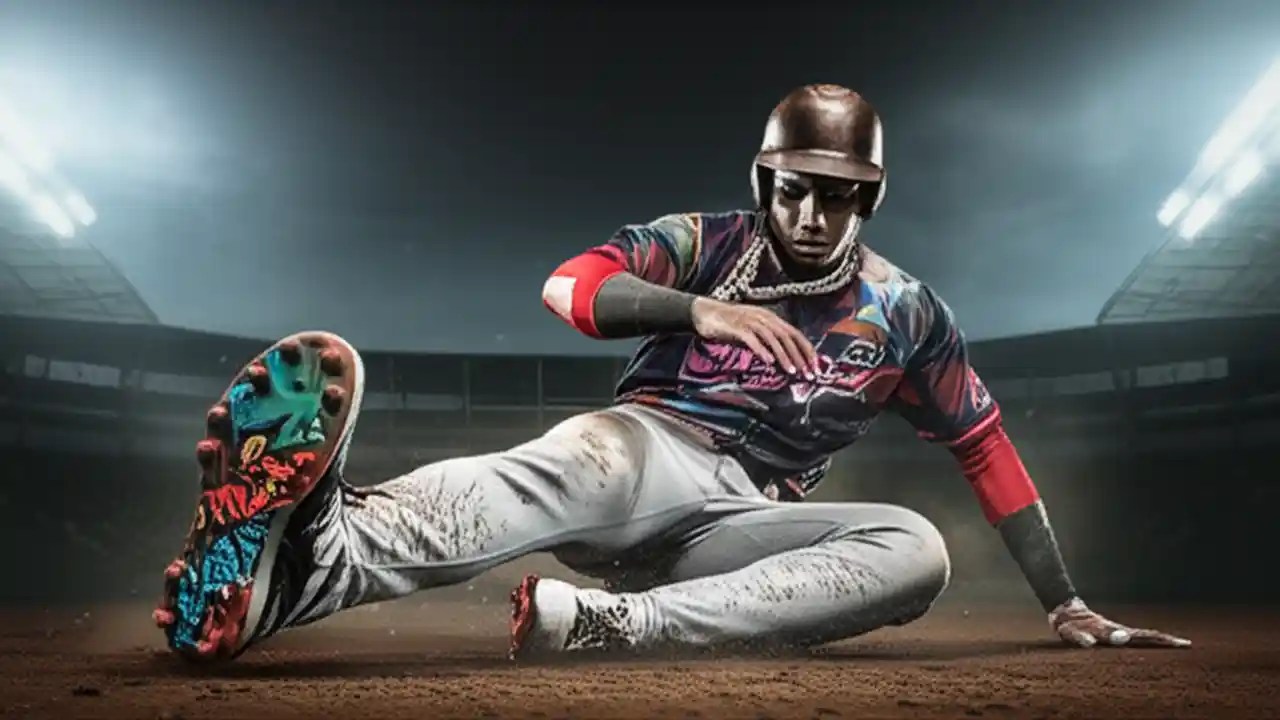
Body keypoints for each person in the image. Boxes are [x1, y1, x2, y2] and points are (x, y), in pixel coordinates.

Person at [154, 83, 1190, 662]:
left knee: (916, 551)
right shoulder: (704, 240)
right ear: (763, 180)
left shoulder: (909, 316)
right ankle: (319, 559)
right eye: (791, 189)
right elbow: (567, 287)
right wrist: (697, 305)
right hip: (648, 454)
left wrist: (1063, 600)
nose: (808, 215)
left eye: (835, 196)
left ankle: (607, 627)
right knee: (589, 460)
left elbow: (984, 447)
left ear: (866, 200)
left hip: (737, 529)